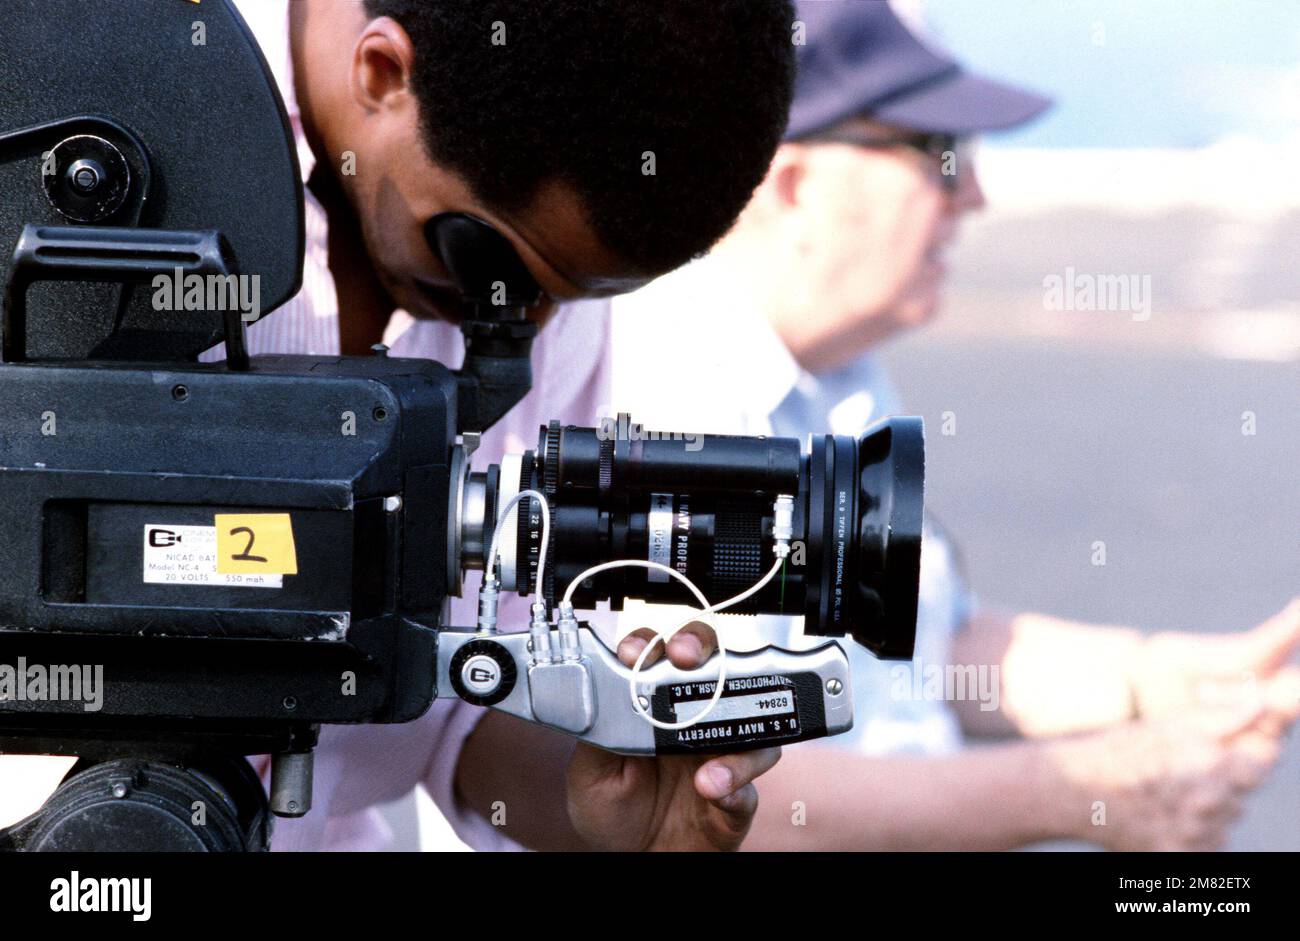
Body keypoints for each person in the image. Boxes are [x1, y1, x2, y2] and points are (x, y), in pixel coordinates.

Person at [0, 0, 798, 852]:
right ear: (381, 74)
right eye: (486, 271)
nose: (520, 321)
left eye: (562, 298)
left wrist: (608, 806)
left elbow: (451, 718)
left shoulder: (528, 260)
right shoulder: (59, 90)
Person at [610, 0, 1300, 851]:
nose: (973, 192)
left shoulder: (837, 371)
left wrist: (1158, 676)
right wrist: (1088, 790)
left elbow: (926, 643)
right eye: (937, 153)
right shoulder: (658, 403)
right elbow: (704, 786)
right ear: (792, 181)